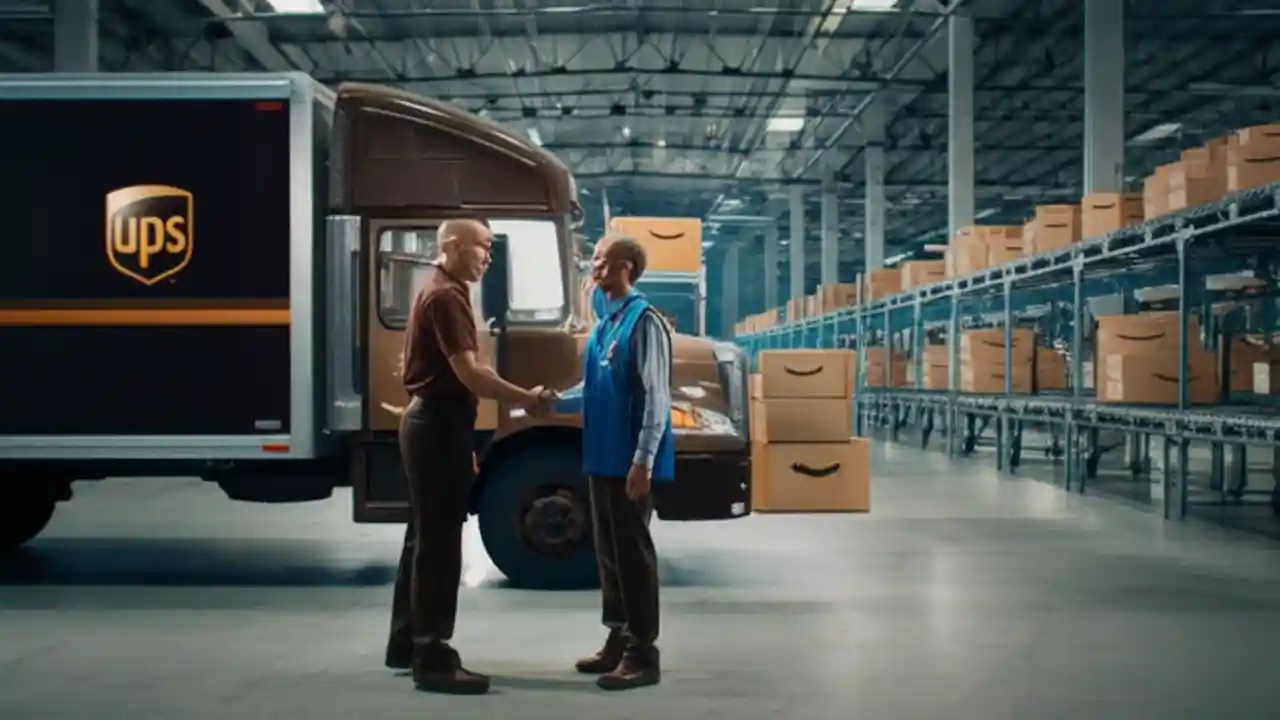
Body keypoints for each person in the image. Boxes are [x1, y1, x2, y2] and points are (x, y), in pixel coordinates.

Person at [385, 217, 552, 695]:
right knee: (439, 546)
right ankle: (433, 656)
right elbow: (471, 374)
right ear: (453, 246)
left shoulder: (438, 288)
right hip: (437, 425)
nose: (487, 257)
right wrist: (528, 397)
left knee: (423, 537)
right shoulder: (447, 296)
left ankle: (406, 643)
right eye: (482, 247)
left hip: (431, 423)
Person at [552, 234, 674, 691]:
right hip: (601, 458)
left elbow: (657, 396)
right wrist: (552, 404)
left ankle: (644, 653)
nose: (594, 266)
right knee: (609, 554)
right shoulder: (607, 324)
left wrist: (643, 461)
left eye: (601, 259)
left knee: (633, 555)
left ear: (626, 266)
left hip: (629, 462)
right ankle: (618, 638)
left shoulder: (645, 323)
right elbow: (594, 389)